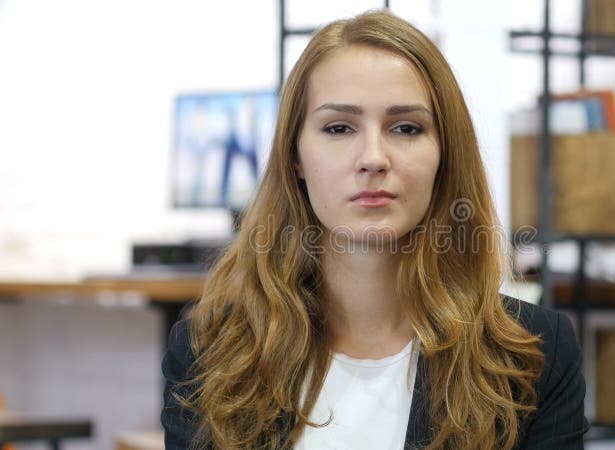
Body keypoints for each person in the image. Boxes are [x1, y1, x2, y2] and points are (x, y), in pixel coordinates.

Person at [162, 10, 589, 450]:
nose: (373, 158)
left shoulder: (534, 356)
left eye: (406, 128)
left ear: (446, 155)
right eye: (339, 127)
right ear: (295, 157)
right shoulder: (209, 352)